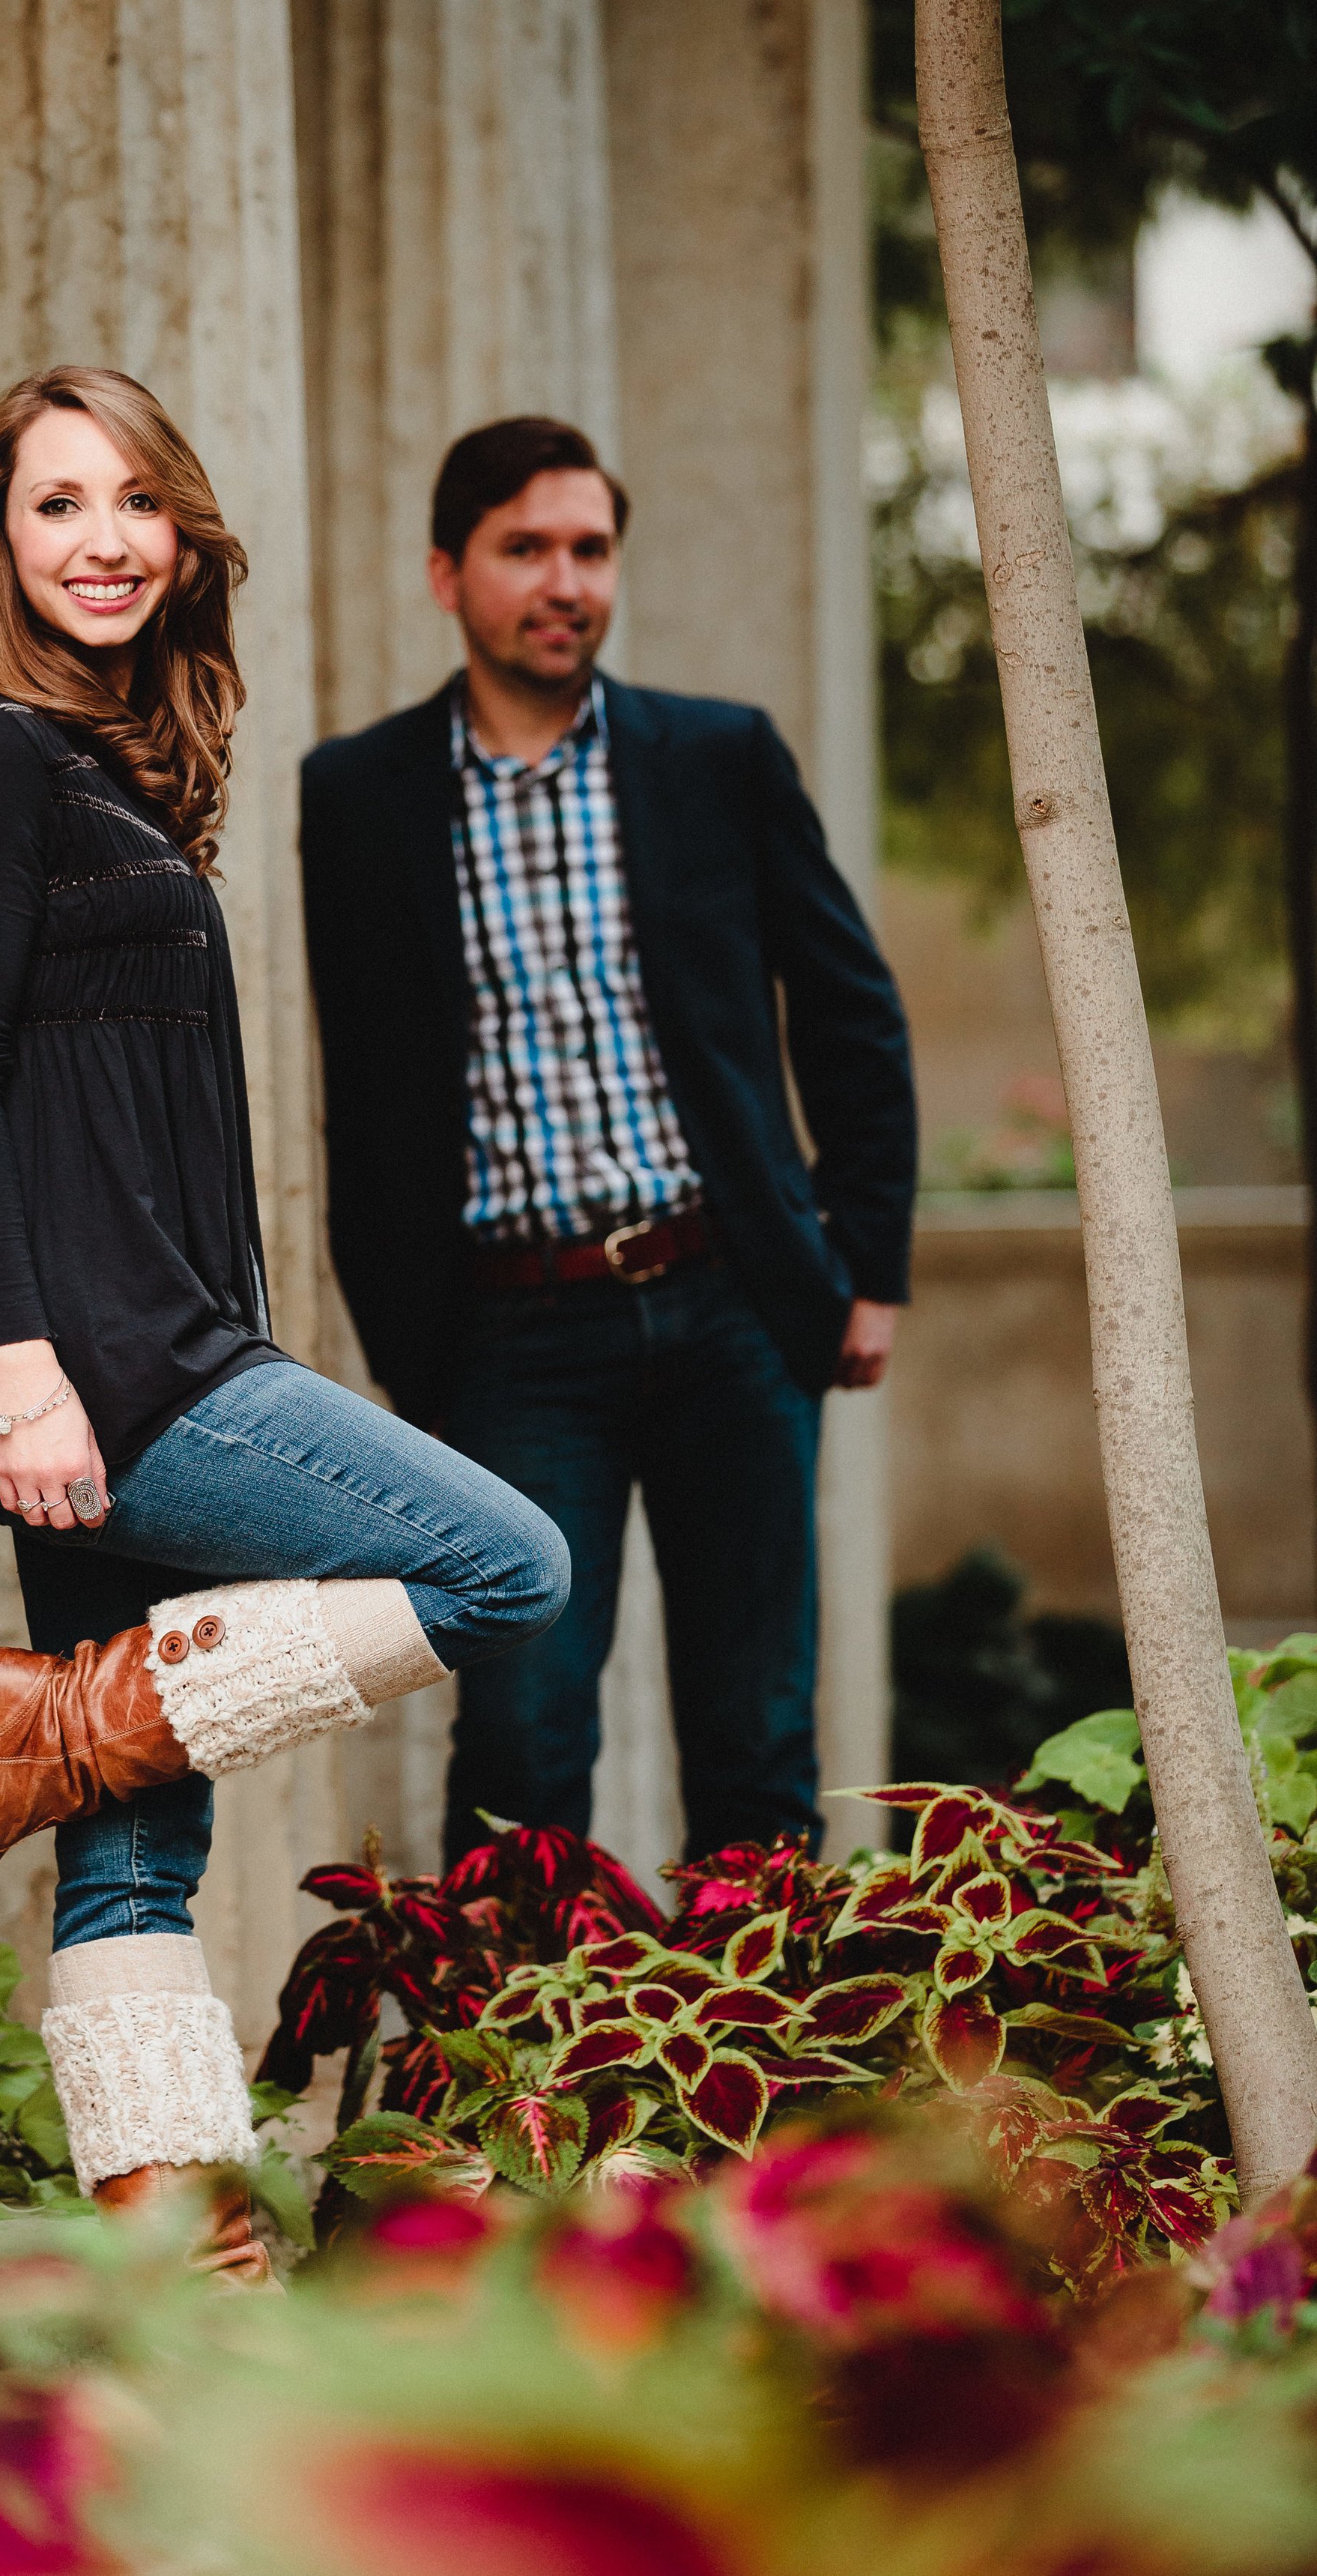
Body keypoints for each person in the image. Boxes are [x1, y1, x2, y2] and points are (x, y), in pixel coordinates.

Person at [0, 369, 567, 2276]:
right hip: (110, 1373)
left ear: (182, 532)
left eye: (133, 505)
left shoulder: (113, 768)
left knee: (131, 1855)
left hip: (145, 1346)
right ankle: (38, 1724)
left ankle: (184, 2276)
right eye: (53, 506)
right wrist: (23, 1372)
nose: (99, 542)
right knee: (507, 1566)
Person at [300, 416, 915, 1873]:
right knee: (518, 1737)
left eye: (588, 549)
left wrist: (860, 1267)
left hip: (731, 1310)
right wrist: (414, 1354)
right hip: (514, 1340)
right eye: (525, 549)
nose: (563, 581)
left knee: (756, 1738)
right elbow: (366, 1097)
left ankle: (761, 2082)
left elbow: (849, 1014)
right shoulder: (359, 796)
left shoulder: (714, 759)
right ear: (447, 576)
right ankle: (502, 2076)